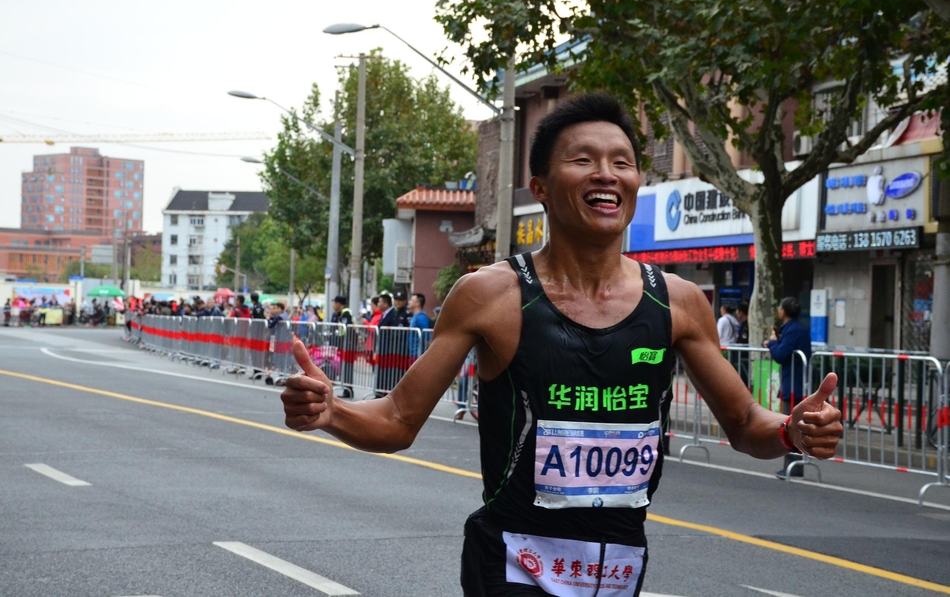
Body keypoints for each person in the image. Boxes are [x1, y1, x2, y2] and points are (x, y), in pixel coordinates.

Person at [281, 93, 842, 596]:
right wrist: (332, 411)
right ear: (542, 188)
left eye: (622, 162)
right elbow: (399, 419)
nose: (607, 175)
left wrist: (792, 430)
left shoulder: (677, 301)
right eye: (584, 160)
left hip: (617, 571)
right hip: (511, 566)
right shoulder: (492, 296)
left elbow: (745, 423)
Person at [765, 296, 814, 479]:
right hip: (794, 382)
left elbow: (780, 354)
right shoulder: (795, 329)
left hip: (794, 385)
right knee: (793, 426)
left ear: (783, 312)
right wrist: (775, 342)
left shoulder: (793, 330)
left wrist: (772, 342)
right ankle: (793, 466)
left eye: (779, 307)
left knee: (792, 427)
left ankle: (794, 466)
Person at [407, 292, 431, 357]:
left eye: (411, 300)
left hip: (419, 355)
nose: (409, 302)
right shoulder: (414, 316)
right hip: (413, 354)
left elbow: (427, 338)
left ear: (417, 303)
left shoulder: (421, 318)